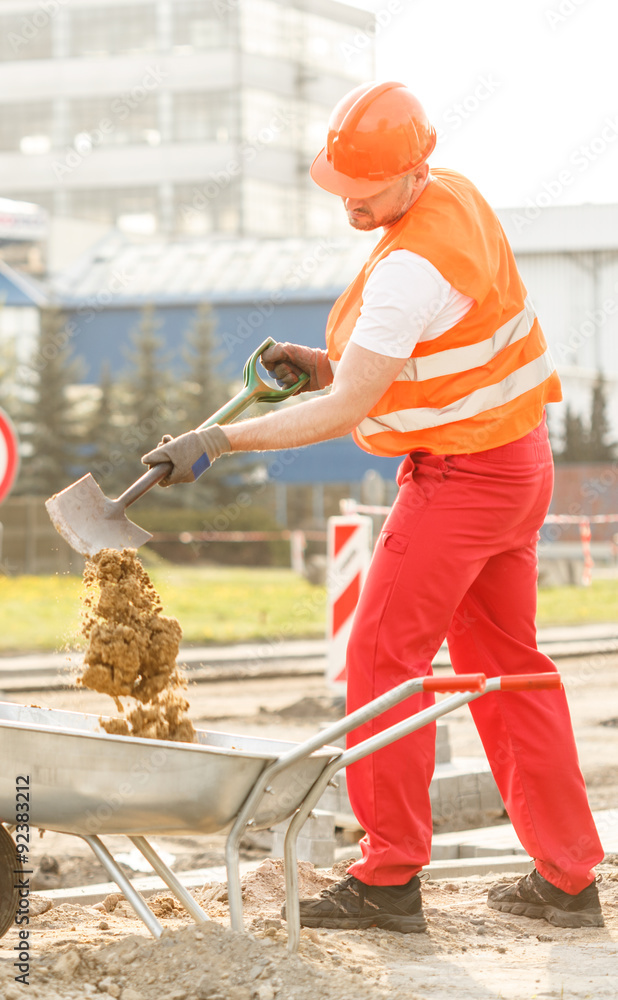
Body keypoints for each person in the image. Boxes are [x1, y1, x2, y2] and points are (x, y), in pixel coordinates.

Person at [143, 81, 604, 932]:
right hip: (515, 461)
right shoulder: (450, 198)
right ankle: (570, 878)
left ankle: (388, 879)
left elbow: (352, 407)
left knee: (385, 663)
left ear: (414, 169)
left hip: (462, 483)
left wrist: (222, 442)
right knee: (510, 672)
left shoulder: (407, 269)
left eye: (364, 191)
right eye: (340, 186)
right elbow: (416, 357)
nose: (348, 202)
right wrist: (321, 362)